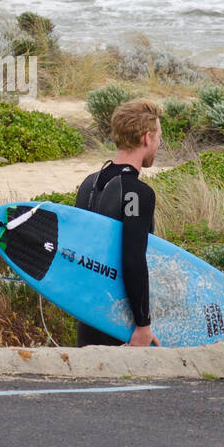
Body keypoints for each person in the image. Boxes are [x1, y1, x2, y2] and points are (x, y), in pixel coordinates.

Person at [73, 98, 162, 347]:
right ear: (146, 138)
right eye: (158, 138)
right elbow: (132, 259)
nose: (158, 145)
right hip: (121, 321)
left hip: (89, 316)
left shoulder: (89, 183)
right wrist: (143, 324)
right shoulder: (137, 193)